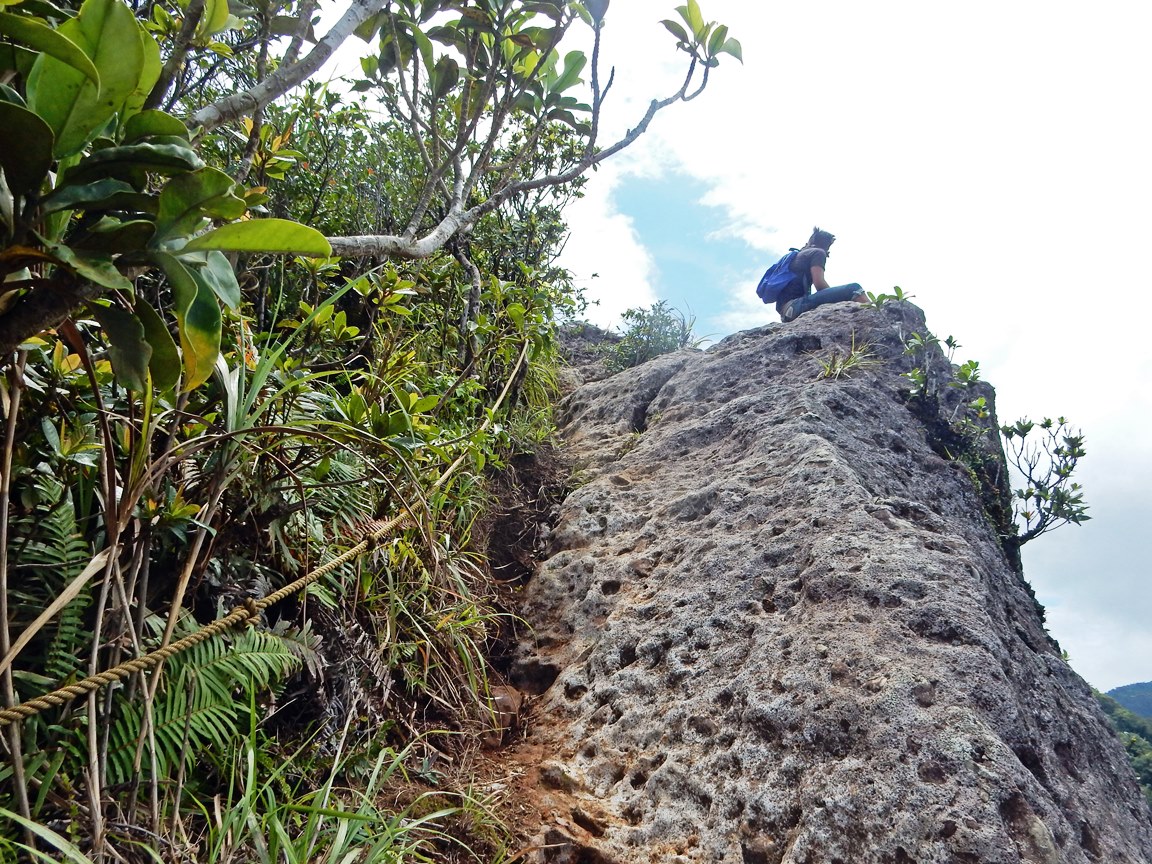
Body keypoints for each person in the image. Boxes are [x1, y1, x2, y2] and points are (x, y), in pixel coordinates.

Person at [776, 227, 867, 323]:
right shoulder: (818, 252)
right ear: (825, 244)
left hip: (786, 311)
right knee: (854, 289)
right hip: (795, 306)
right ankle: (877, 315)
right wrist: (839, 298)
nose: (828, 252)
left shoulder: (798, 255)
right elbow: (819, 284)